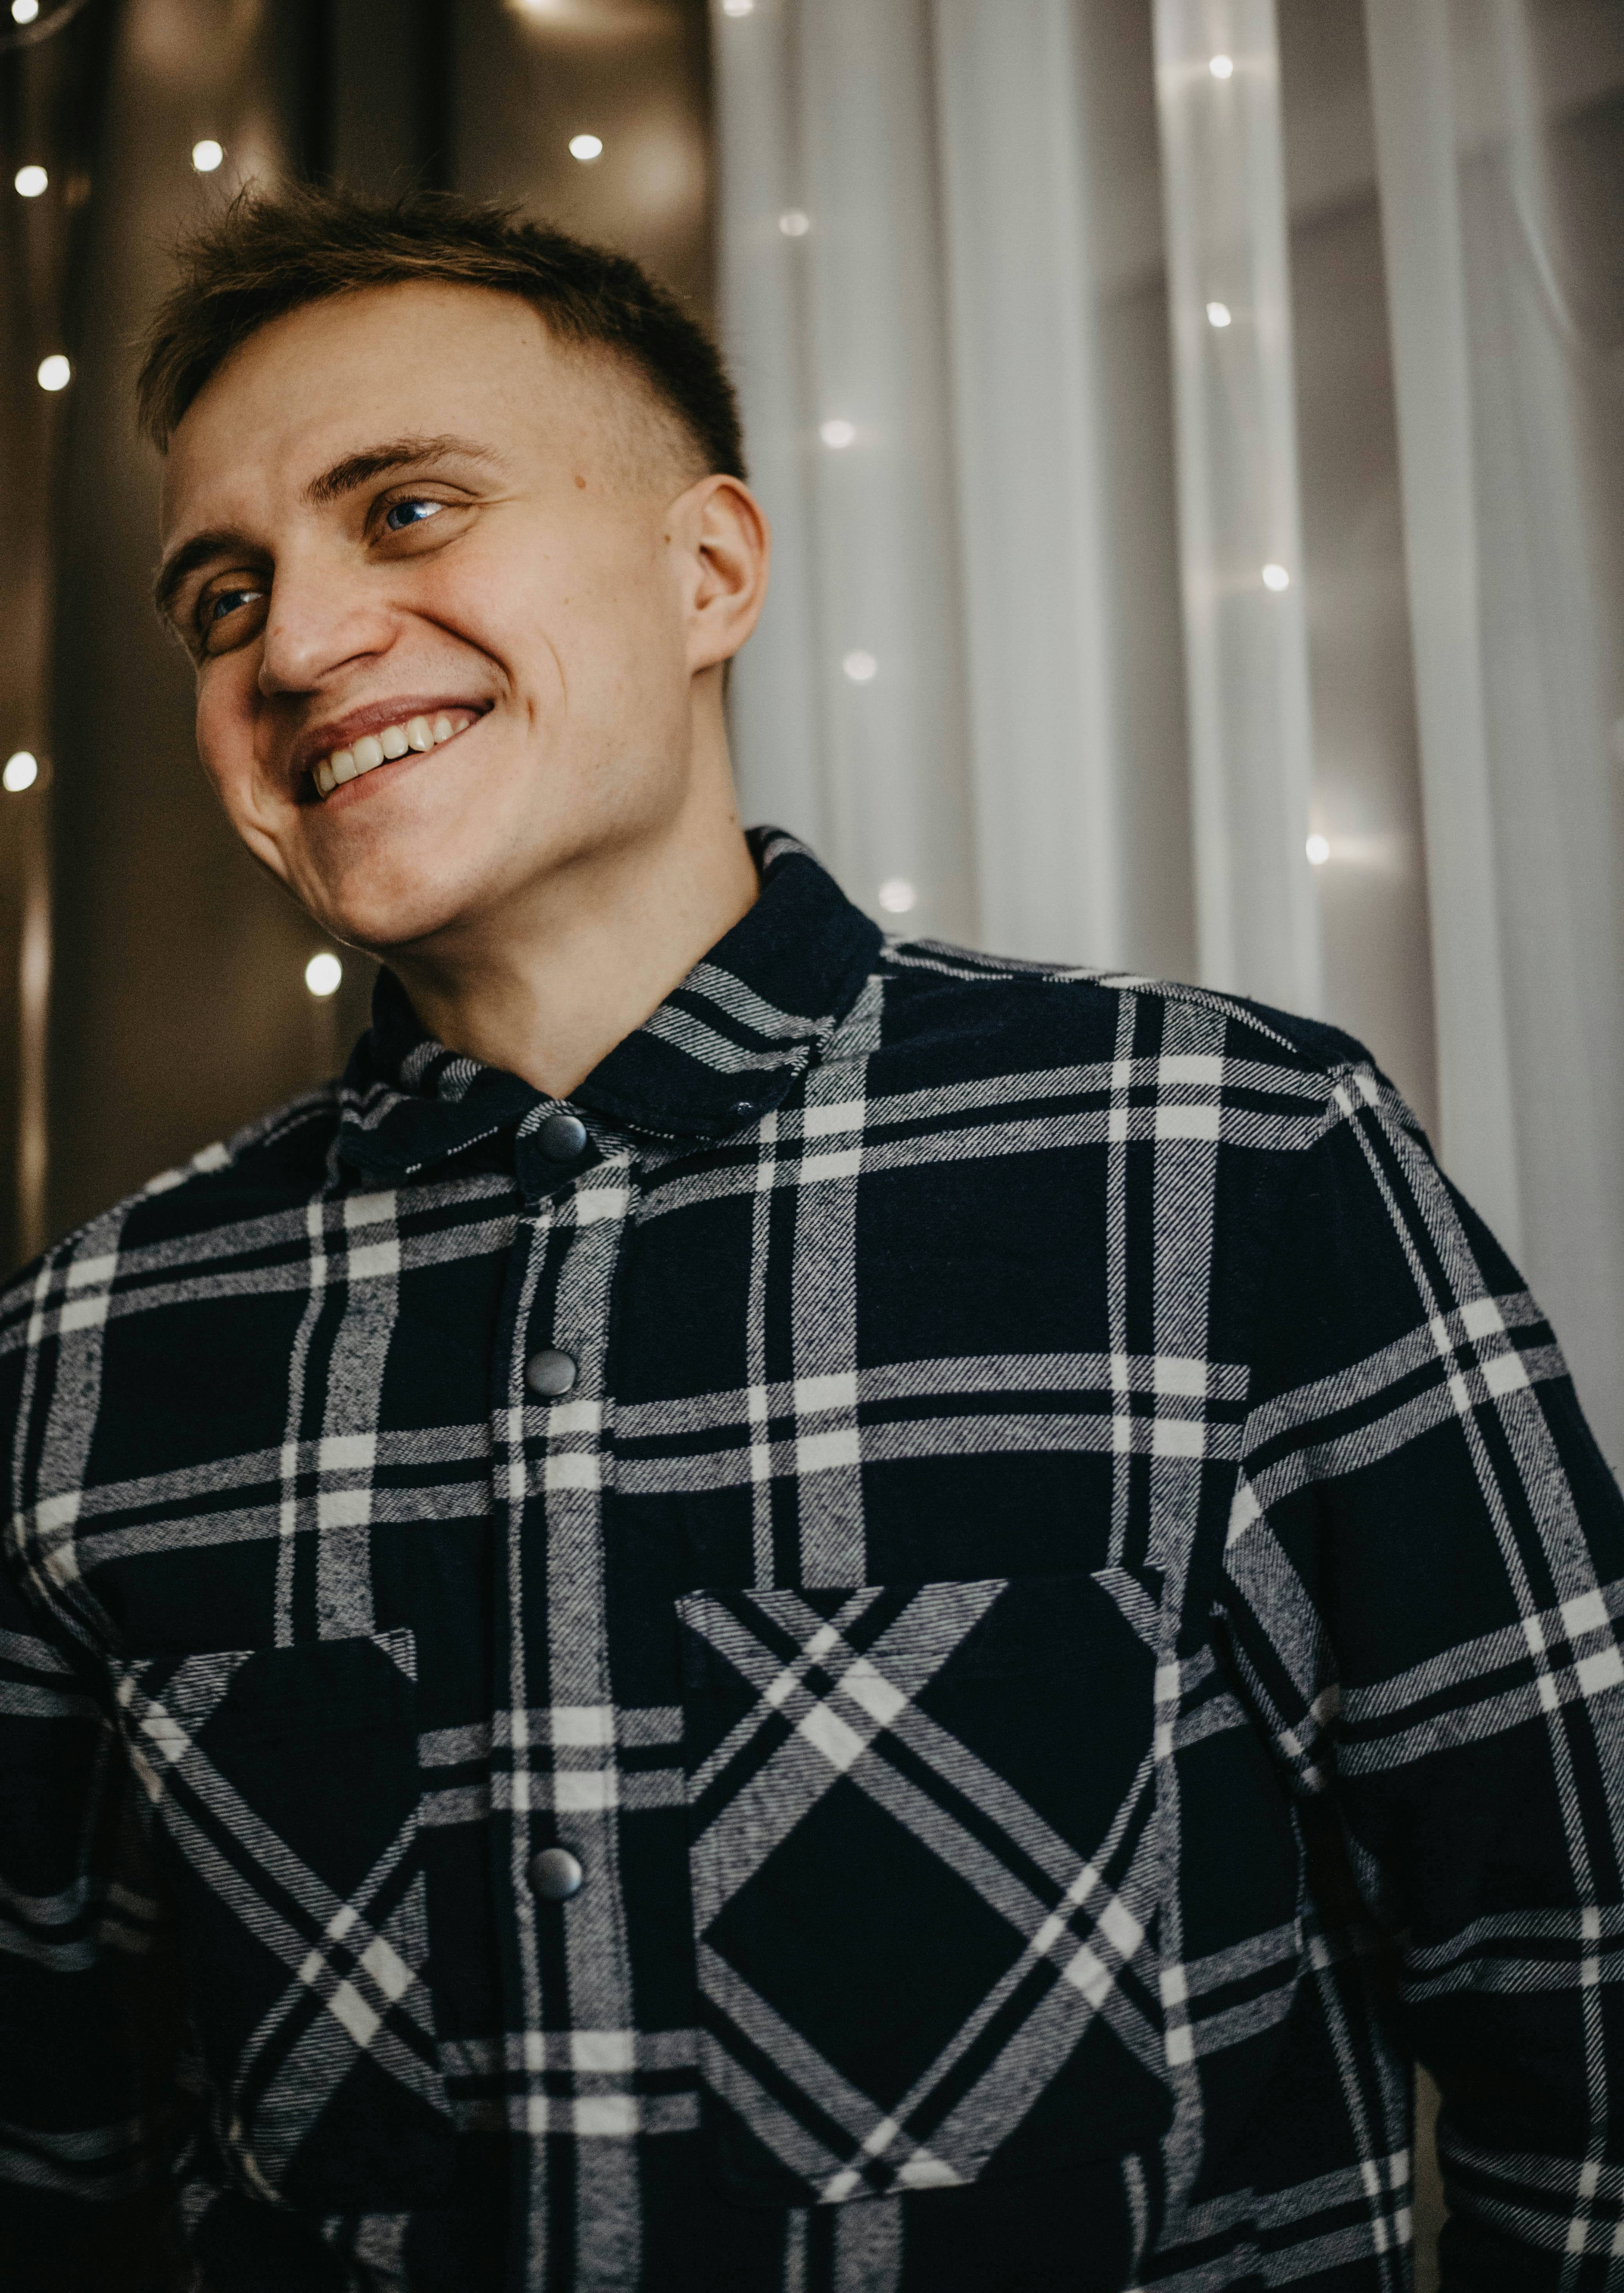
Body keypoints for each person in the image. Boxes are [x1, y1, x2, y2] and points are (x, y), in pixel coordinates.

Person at [1, 185, 1620, 2293]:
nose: (297, 645)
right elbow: (54, 2159)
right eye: (223, 599)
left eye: (407, 511)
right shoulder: (84, 1348)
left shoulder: (1230, 1156)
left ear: (710, 572)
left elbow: (1582, 1987)